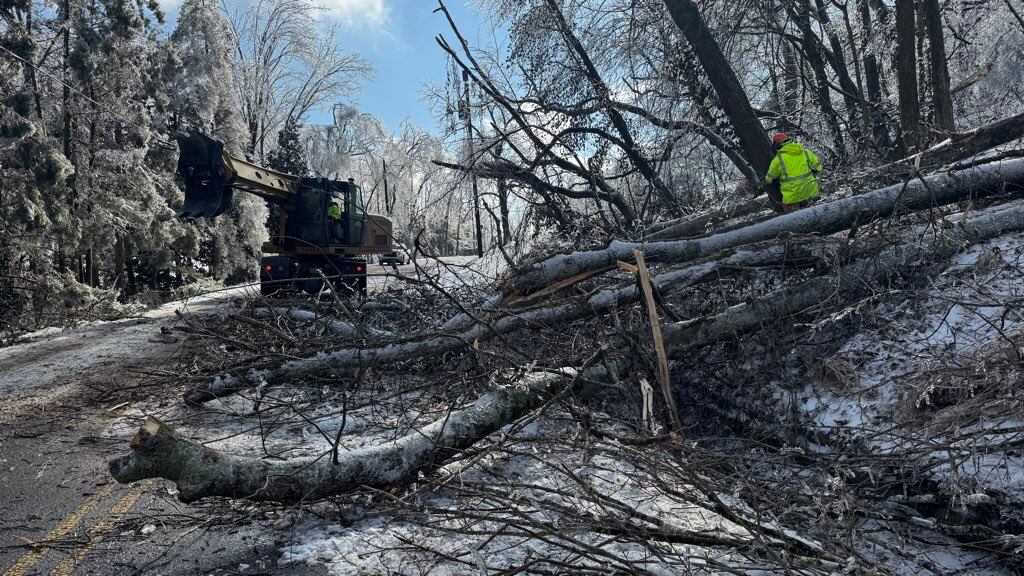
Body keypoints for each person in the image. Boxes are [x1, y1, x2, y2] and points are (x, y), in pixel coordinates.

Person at [765, 132, 822, 213]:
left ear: (777, 146)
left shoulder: (778, 160)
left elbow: (768, 179)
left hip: (793, 198)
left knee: (796, 218)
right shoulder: (806, 152)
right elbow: (819, 168)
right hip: (811, 193)